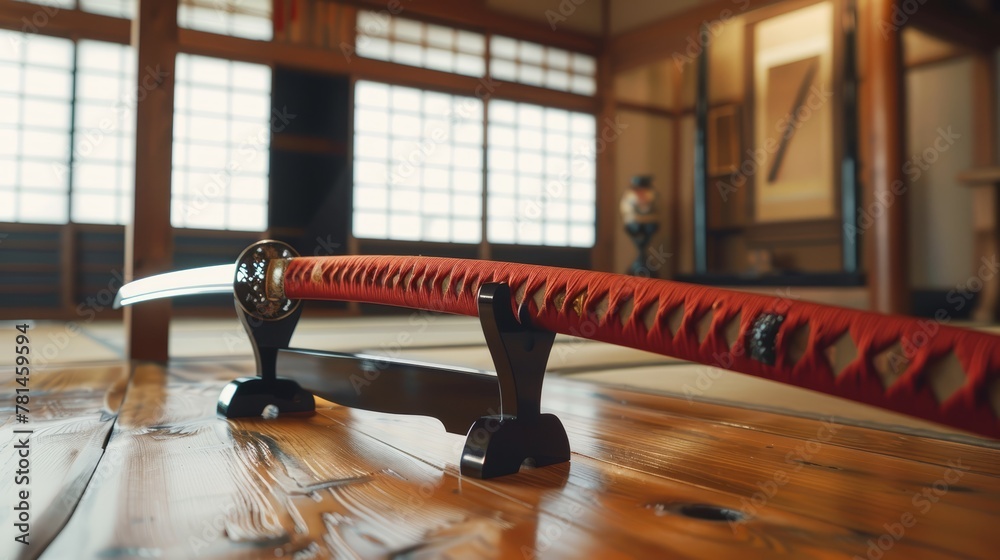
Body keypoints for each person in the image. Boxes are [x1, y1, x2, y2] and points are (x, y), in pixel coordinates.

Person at [620, 175, 659, 276]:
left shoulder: (652, 194)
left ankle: (641, 261)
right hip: (633, 223)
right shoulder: (629, 195)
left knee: (643, 247)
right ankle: (640, 261)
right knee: (640, 247)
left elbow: (655, 208)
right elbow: (626, 209)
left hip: (649, 223)